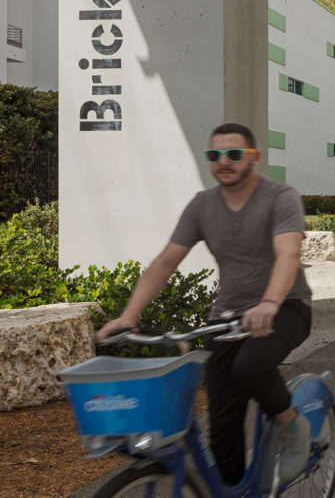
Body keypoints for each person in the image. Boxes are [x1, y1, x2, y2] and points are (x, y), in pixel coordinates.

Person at [97, 123, 313, 485]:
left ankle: (293, 427)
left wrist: (270, 302)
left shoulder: (280, 196)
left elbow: (288, 252)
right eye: (214, 155)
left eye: (233, 154)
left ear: (253, 158)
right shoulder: (202, 206)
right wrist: (129, 316)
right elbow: (166, 261)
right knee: (222, 423)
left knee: (251, 367)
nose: (223, 162)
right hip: (226, 318)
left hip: (285, 307)